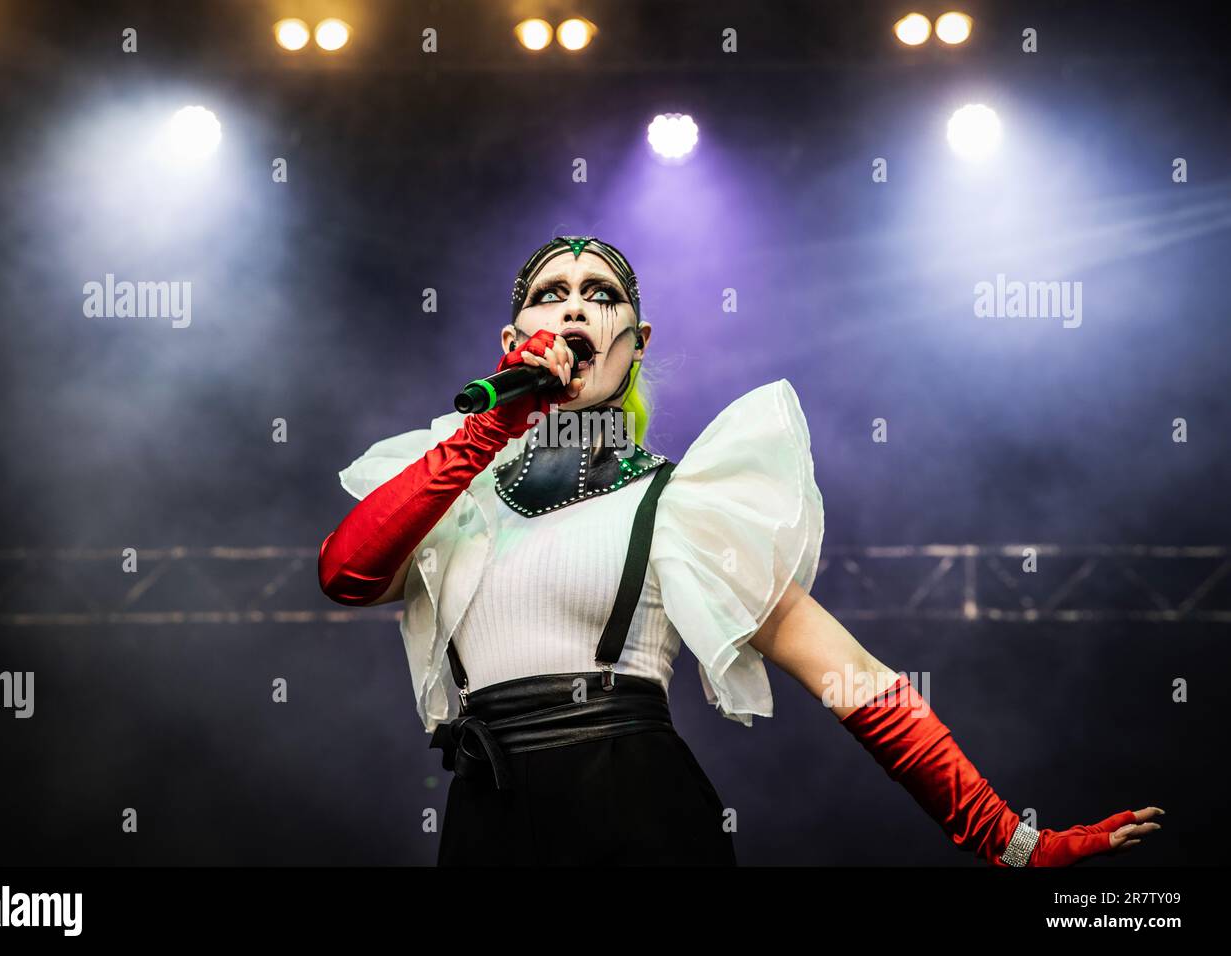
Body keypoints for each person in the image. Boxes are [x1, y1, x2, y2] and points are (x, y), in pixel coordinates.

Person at [318, 234, 1163, 866]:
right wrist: (495, 424)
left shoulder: (682, 502)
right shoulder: (446, 490)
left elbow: (854, 678)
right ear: (514, 339)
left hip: (634, 809)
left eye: (598, 293)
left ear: (636, 342)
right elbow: (347, 574)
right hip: (483, 815)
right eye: (551, 292)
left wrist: (1013, 842)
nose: (573, 307)